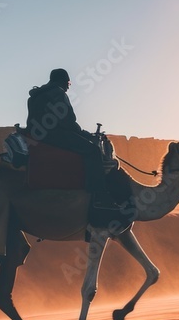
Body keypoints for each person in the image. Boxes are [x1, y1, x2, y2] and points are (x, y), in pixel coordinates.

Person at [26, 68, 127, 230]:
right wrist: (87, 135)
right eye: (68, 83)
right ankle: (100, 196)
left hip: (37, 137)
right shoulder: (57, 93)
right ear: (62, 81)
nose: (68, 87)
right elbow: (69, 121)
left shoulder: (35, 96)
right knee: (93, 151)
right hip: (55, 135)